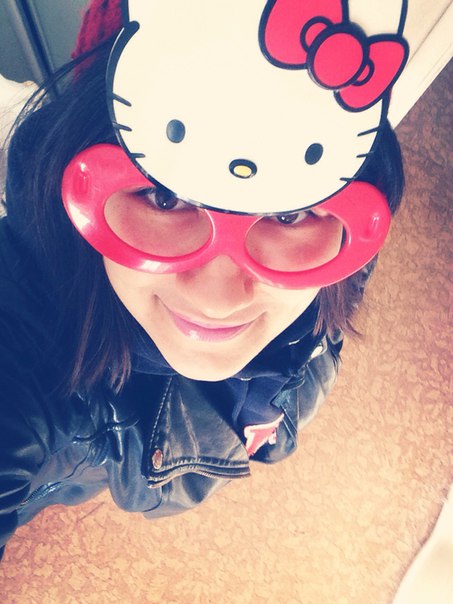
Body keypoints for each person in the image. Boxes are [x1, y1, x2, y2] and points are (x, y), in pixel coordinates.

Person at [0, 0, 408, 561]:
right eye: (164, 198)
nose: (217, 299)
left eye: (288, 212)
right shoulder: (26, 336)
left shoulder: (342, 248)